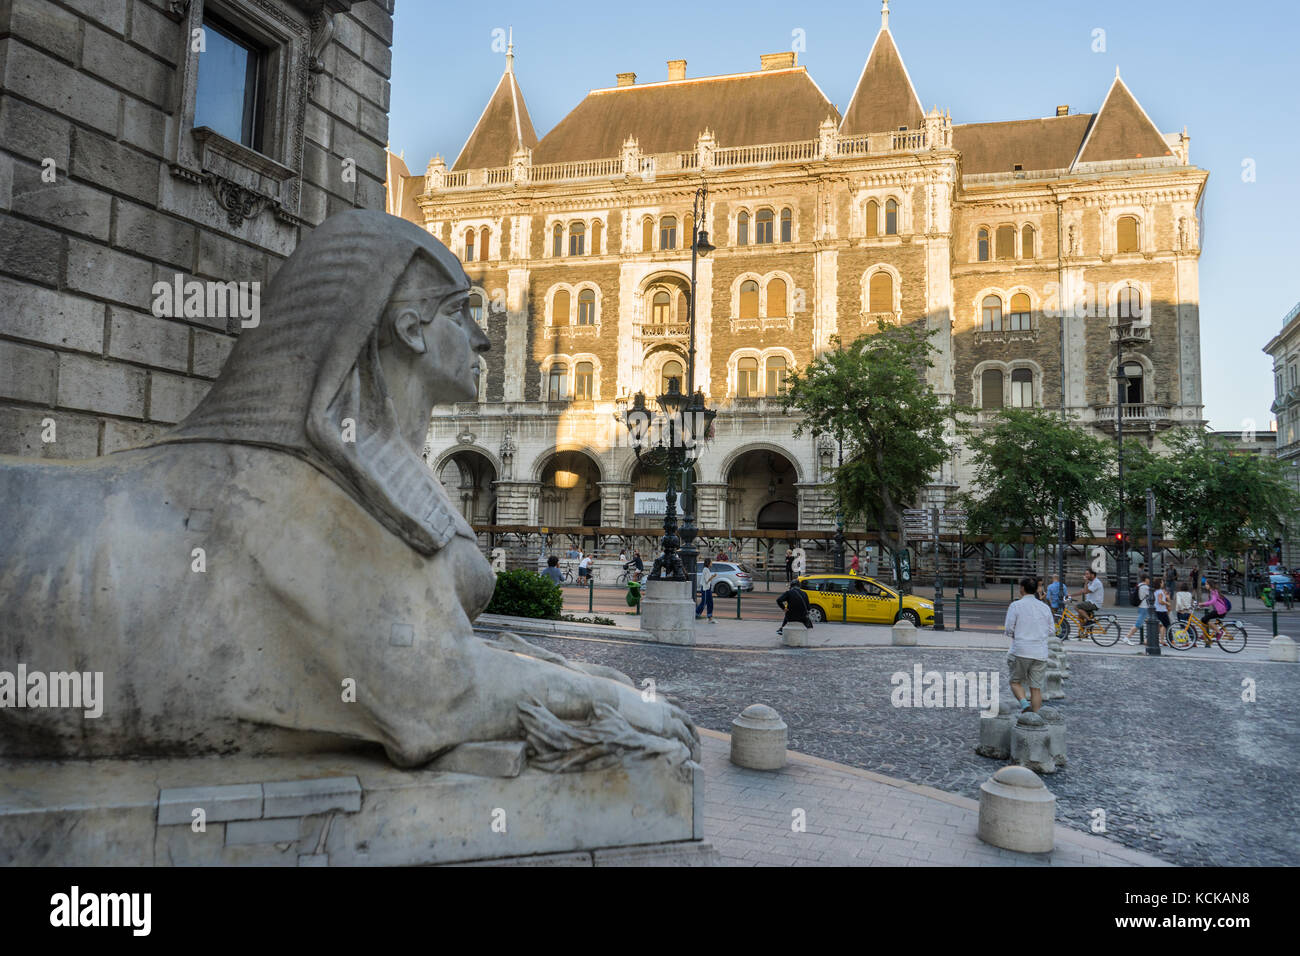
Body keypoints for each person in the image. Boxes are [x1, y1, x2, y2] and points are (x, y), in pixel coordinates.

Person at [1005, 576, 1053, 713]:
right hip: (1040, 652)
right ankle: (1035, 718)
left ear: (1022, 589)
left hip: (1021, 650)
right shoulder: (1045, 608)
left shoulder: (1015, 606)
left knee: (1015, 682)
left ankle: (1025, 704)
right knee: (1036, 688)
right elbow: (1051, 631)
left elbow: (1009, 629)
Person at [1124, 573, 1151, 645]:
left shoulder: (1139, 585)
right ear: (1146, 579)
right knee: (1138, 624)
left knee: (1146, 623)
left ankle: (1147, 639)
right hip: (1144, 607)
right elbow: (1150, 596)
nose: (1149, 581)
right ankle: (1127, 637)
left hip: (1141, 606)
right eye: (1149, 579)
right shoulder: (1145, 587)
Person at [695, 558, 717, 623]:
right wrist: (713, 576)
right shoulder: (706, 570)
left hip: (707, 588)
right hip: (705, 589)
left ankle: (709, 617)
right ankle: (696, 614)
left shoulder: (706, 569)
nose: (712, 563)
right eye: (711, 562)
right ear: (708, 563)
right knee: (704, 603)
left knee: (710, 602)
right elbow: (707, 580)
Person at [1154, 577, 1172, 643]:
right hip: (1162, 611)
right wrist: (1167, 603)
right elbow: (1160, 601)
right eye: (1162, 582)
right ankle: (1171, 640)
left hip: (1156, 610)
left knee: (1158, 626)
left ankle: (1159, 640)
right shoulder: (1160, 592)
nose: (1163, 583)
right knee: (1168, 626)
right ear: (1160, 583)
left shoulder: (1155, 591)